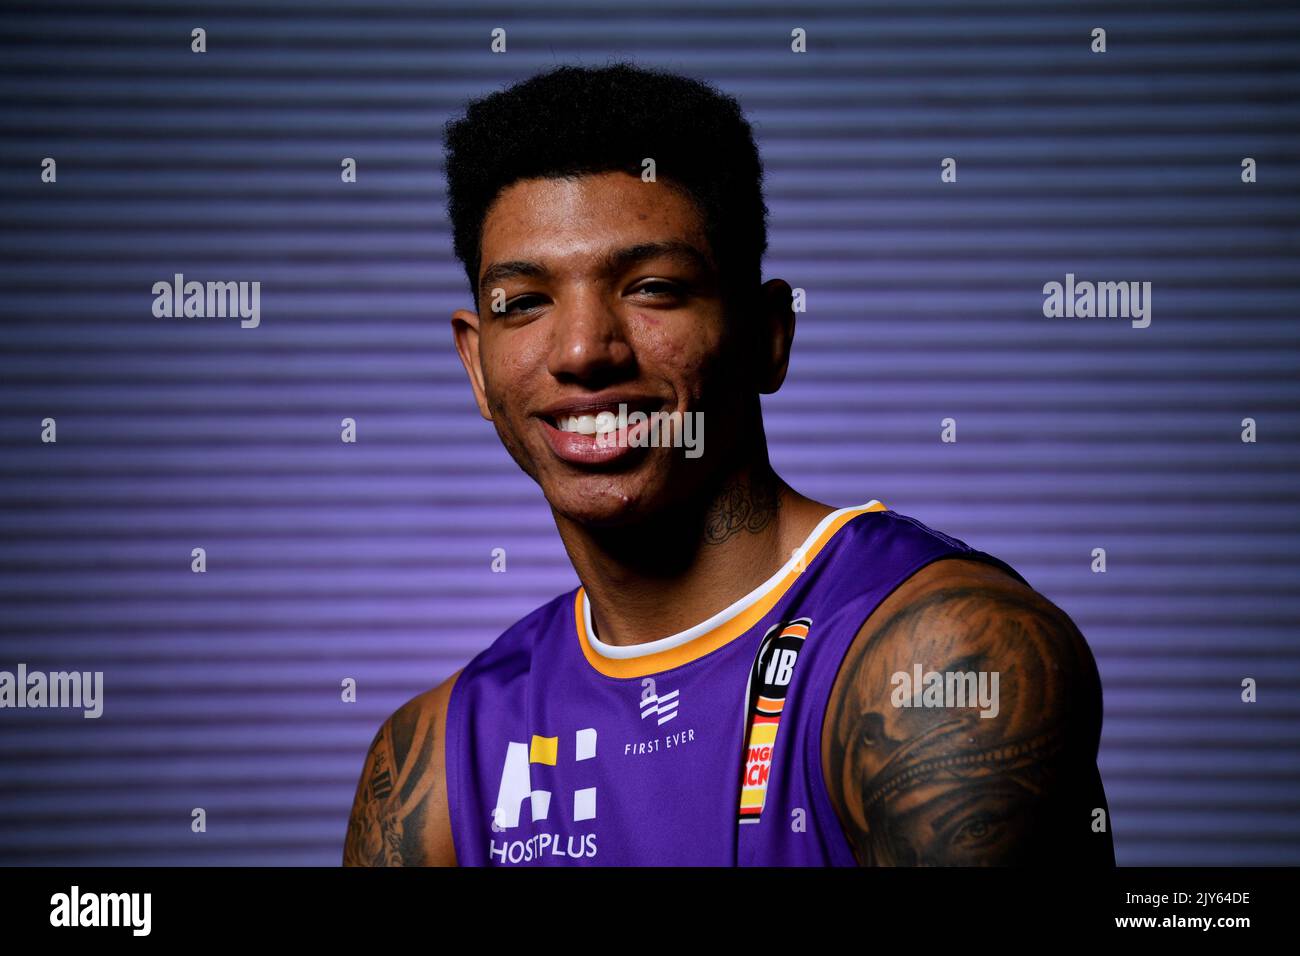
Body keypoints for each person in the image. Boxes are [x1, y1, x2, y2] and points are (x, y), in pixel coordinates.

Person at [342, 62, 1115, 867]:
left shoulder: (939, 660)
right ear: (476, 365)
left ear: (765, 335)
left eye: (652, 288)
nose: (582, 351)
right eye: (525, 303)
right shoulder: (435, 757)